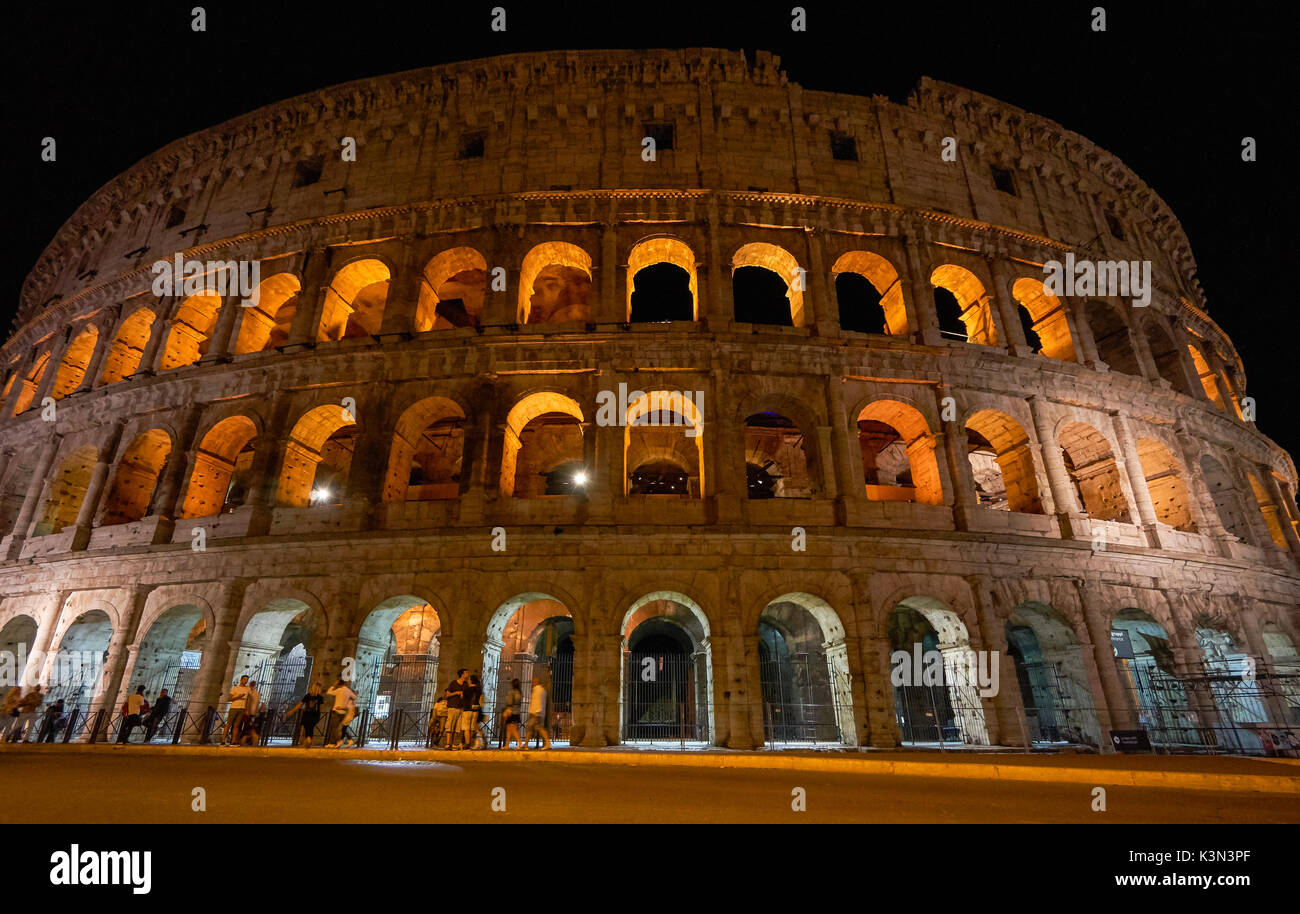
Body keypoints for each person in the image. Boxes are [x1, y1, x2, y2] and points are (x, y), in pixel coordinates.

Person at [284, 682, 325, 747]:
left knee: (307, 728)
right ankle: (309, 739)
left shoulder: (307, 696)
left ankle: (308, 738)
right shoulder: (320, 697)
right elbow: (321, 707)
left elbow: (300, 704)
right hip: (315, 715)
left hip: (307, 714)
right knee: (311, 728)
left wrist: (292, 711)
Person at [324, 678, 358, 748]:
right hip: (343, 712)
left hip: (336, 711)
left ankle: (337, 741)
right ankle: (338, 741)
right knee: (341, 728)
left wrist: (333, 685)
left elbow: (329, 692)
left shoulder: (339, 690)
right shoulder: (348, 691)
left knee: (334, 728)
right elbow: (354, 697)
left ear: (339, 684)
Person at [440, 669, 469, 749]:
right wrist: (456, 693)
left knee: (457, 727)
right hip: (453, 707)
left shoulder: (466, 684)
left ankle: (453, 743)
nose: (467, 674)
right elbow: (447, 695)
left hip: (460, 708)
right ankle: (448, 743)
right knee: (450, 725)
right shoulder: (453, 683)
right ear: (462, 674)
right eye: (466, 673)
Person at [221, 675, 252, 746]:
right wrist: (238, 697)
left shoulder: (248, 689)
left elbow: (248, 700)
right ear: (241, 680)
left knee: (237, 725)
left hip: (242, 708)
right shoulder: (235, 688)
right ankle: (223, 740)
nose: (246, 681)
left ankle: (233, 741)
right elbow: (229, 699)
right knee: (228, 724)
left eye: (247, 679)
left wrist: (247, 710)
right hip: (234, 707)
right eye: (244, 679)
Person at [524, 676, 551, 750]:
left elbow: (537, 702)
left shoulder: (537, 690)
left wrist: (536, 712)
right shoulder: (543, 690)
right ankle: (526, 744)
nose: (532, 683)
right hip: (539, 712)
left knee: (534, 728)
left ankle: (548, 743)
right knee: (536, 728)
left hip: (536, 713)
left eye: (533, 681)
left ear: (536, 682)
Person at [459, 673, 482, 750]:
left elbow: (462, 698)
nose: (468, 680)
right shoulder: (479, 689)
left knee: (466, 727)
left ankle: (467, 743)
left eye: (469, 679)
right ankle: (470, 742)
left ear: (471, 681)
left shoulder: (467, 690)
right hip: (475, 710)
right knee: (472, 727)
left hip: (467, 709)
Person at [502, 678, 524, 749]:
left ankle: (520, 743)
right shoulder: (520, 692)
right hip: (517, 711)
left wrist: (507, 698)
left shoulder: (511, 692)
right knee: (509, 729)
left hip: (511, 711)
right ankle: (507, 745)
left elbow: (510, 703)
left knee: (513, 728)